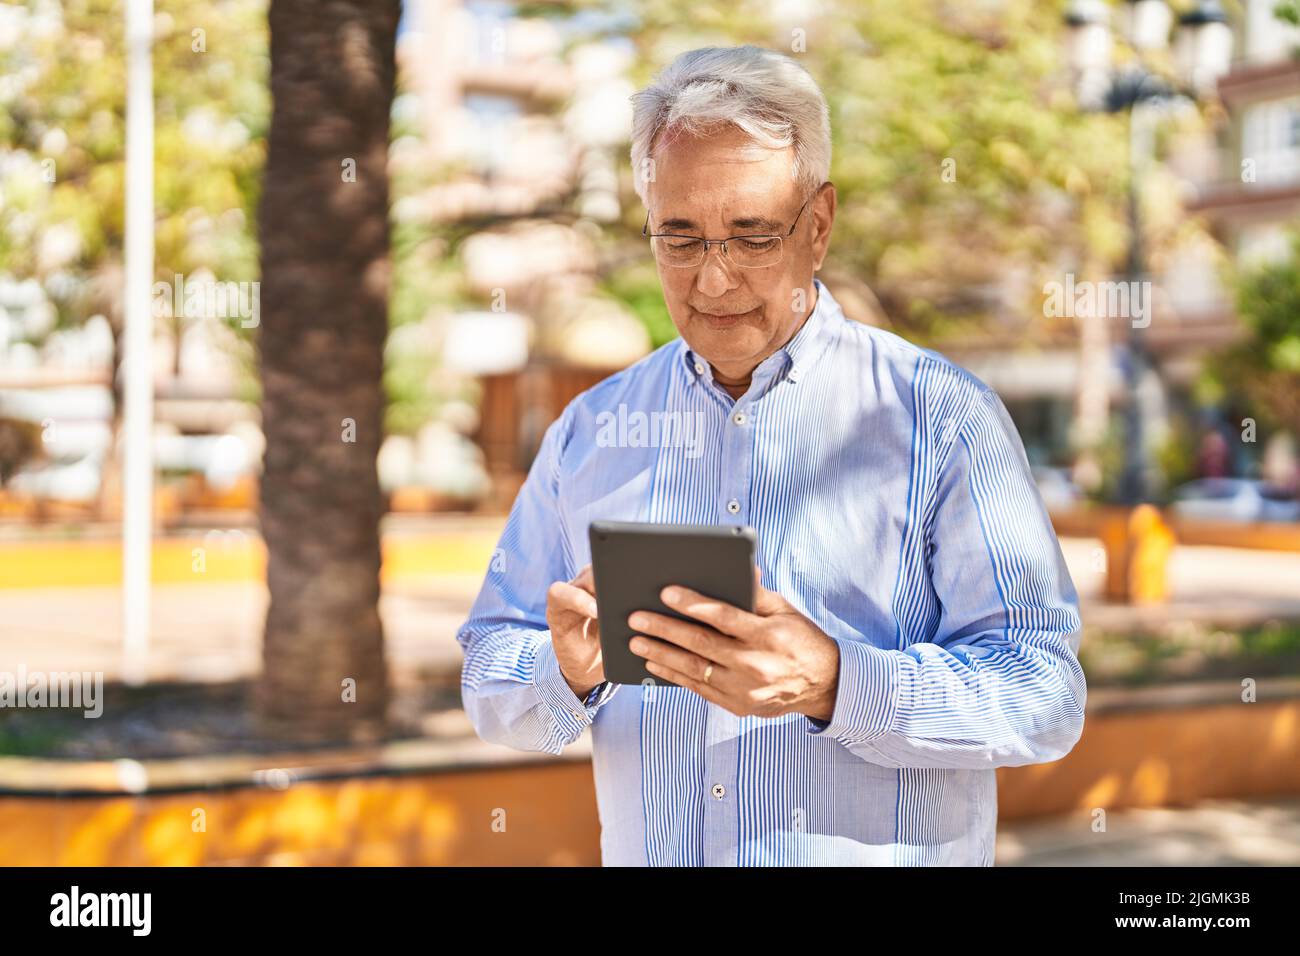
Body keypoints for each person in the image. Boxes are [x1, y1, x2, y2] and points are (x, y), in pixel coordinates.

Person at [456, 45, 1086, 866]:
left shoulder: (943, 417)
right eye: (679, 239)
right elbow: (488, 669)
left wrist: (835, 683)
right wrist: (566, 672)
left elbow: (1045, 693)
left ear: (817, 227)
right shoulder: (590, 429)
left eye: (751, 237)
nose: (713, 282)